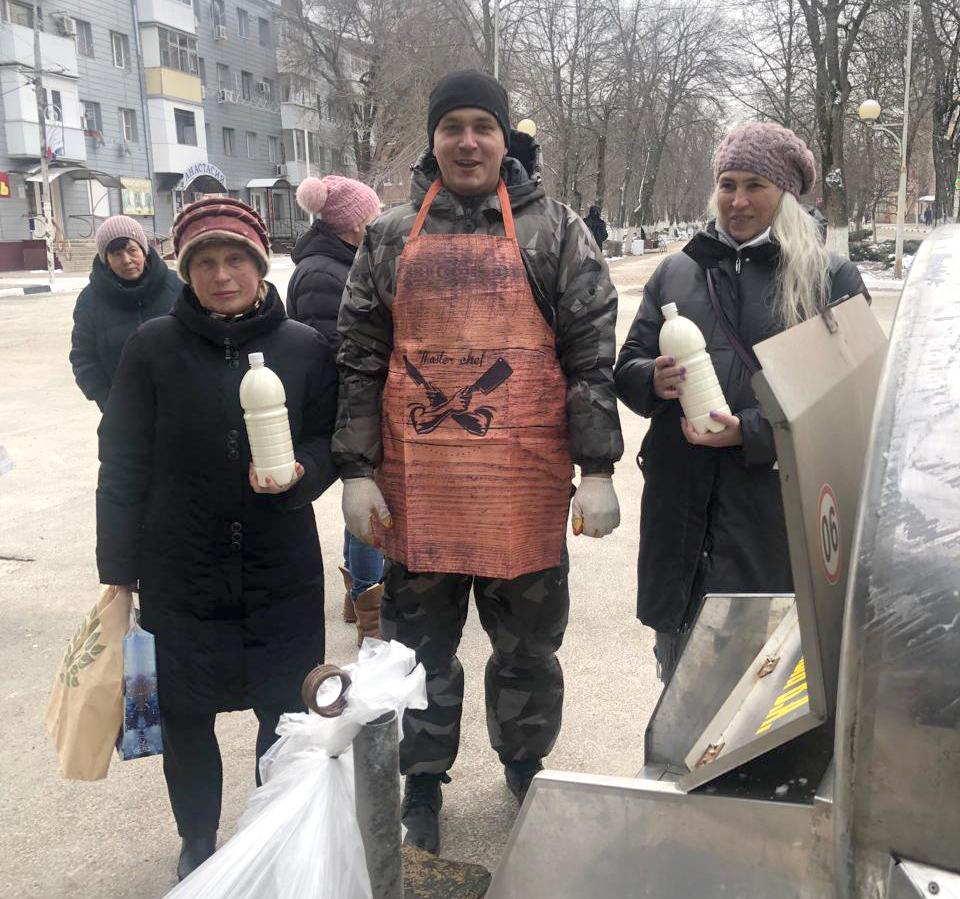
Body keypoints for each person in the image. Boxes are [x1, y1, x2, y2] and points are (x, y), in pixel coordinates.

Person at [334, 69, 623, 854]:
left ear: (505, 138)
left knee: (528, 649)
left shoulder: (557, 231)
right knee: (420, 651)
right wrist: (356, 467)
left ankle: (526, 766)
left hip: (523, 490)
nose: (467, 140)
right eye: (452, 125)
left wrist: (597, 467)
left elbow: (591, 353)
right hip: (418, 489)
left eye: (482, 126)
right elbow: (359, 355)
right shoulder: (390, 234)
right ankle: (422, 783)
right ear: (433, 138)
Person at [96, 197, 338, 881]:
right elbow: (122, 460)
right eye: (204, 261)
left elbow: (330, 441)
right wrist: (119, 567)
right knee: (186, 715)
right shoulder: (151, 349)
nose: (221, 274)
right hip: (182, 565)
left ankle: (270, 830)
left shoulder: (304, 348)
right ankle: (197, 838)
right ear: (185, 269)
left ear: (261, 265)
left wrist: (302, 473)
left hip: (279, 565)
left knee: (284, 710)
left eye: (236, 258)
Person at [614, 122, 869, 683]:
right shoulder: (679, 271)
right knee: (682, 681)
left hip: (771, 514)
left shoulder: (828, 277)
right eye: (728, 183)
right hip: (682, 508)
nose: (738, 199)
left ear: (785, 193)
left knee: (765, 687)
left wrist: (752, 433)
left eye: (756, 184)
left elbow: (849, 406)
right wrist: (651, 380)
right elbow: (628, 364)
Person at [287, 175, 384, 643]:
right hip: (350, 405)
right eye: (373, 215)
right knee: (372, 500)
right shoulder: (325, 273)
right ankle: (372, 608)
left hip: (353, 402)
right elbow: (335, 349)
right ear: (354, 224)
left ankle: (358, 595)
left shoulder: (338, 263)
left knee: (362, 497)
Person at [70, 215, 180, 410]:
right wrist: (106, 399)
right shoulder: (90, 300)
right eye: (116, 254)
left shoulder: (177, 287)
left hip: (182, 403)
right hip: (124, 410)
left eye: (132, 250)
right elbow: (83, 356)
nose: (127, 260)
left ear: (144, 251)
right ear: (106, 260)